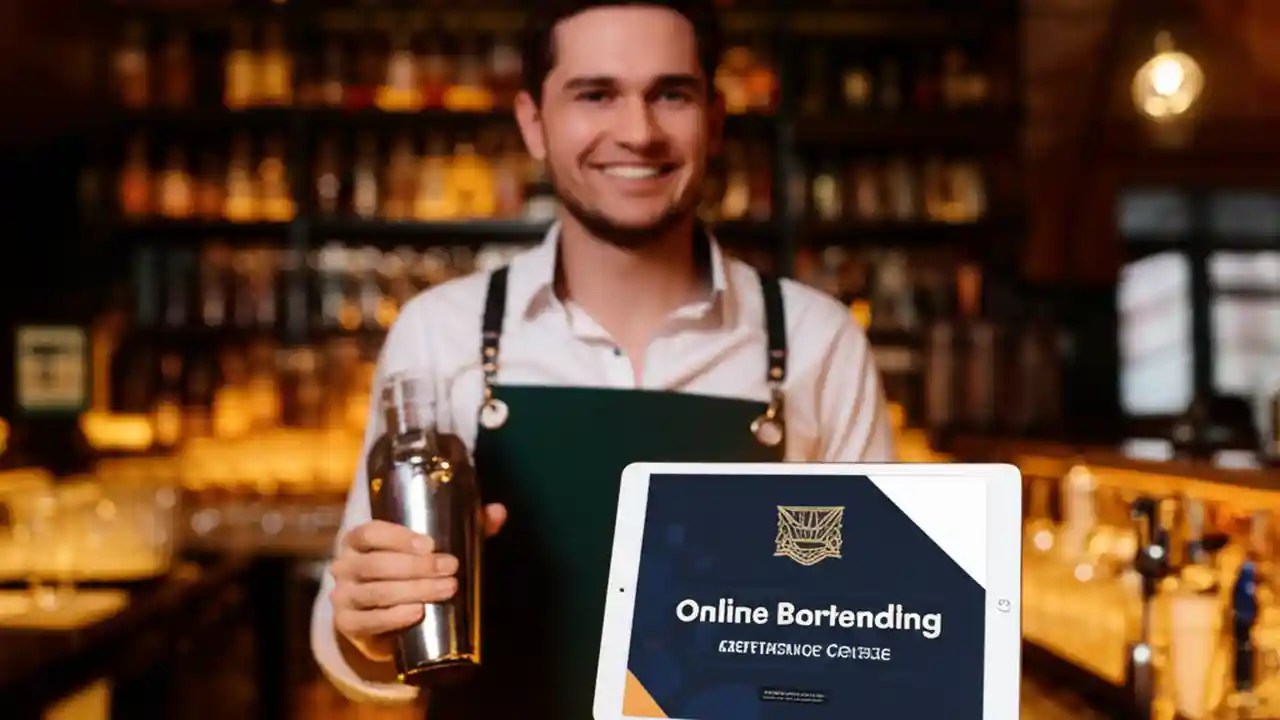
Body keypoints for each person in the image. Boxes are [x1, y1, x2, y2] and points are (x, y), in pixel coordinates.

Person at [310, 0, 896, 716]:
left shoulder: (818, 340)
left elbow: (881, 629)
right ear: (534, 122)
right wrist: (368, 626)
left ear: (714, 119)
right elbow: (349, 629)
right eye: (595, 95)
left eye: (671, 95)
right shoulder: (440, 332)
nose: (638, 132)